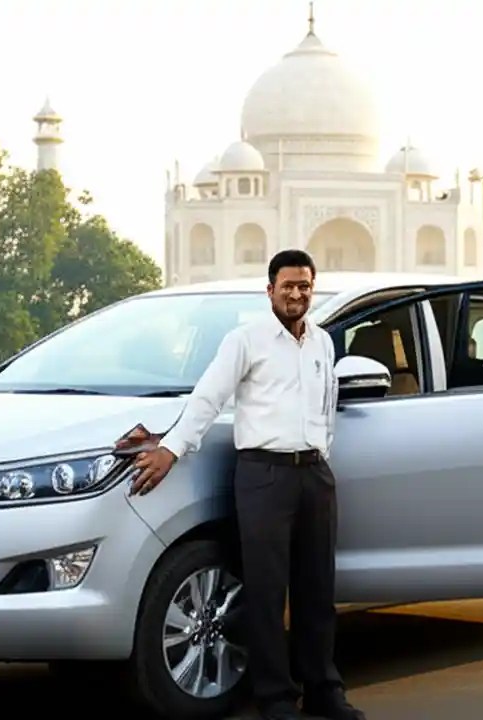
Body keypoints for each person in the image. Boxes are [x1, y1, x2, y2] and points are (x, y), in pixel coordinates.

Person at [116, 249, 365, 720]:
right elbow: (207, 398)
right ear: (270, 290)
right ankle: (274, 697)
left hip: (314, 475)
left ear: (313, 288)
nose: (296, 293)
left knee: (317, 591)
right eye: (288, 285)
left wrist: (322, 452)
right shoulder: (246, 340)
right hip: (263, 474)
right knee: (267, 592)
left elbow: (326, 403)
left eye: (304, 286)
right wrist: (171, 448)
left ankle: (324, 689)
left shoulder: (323, 343)